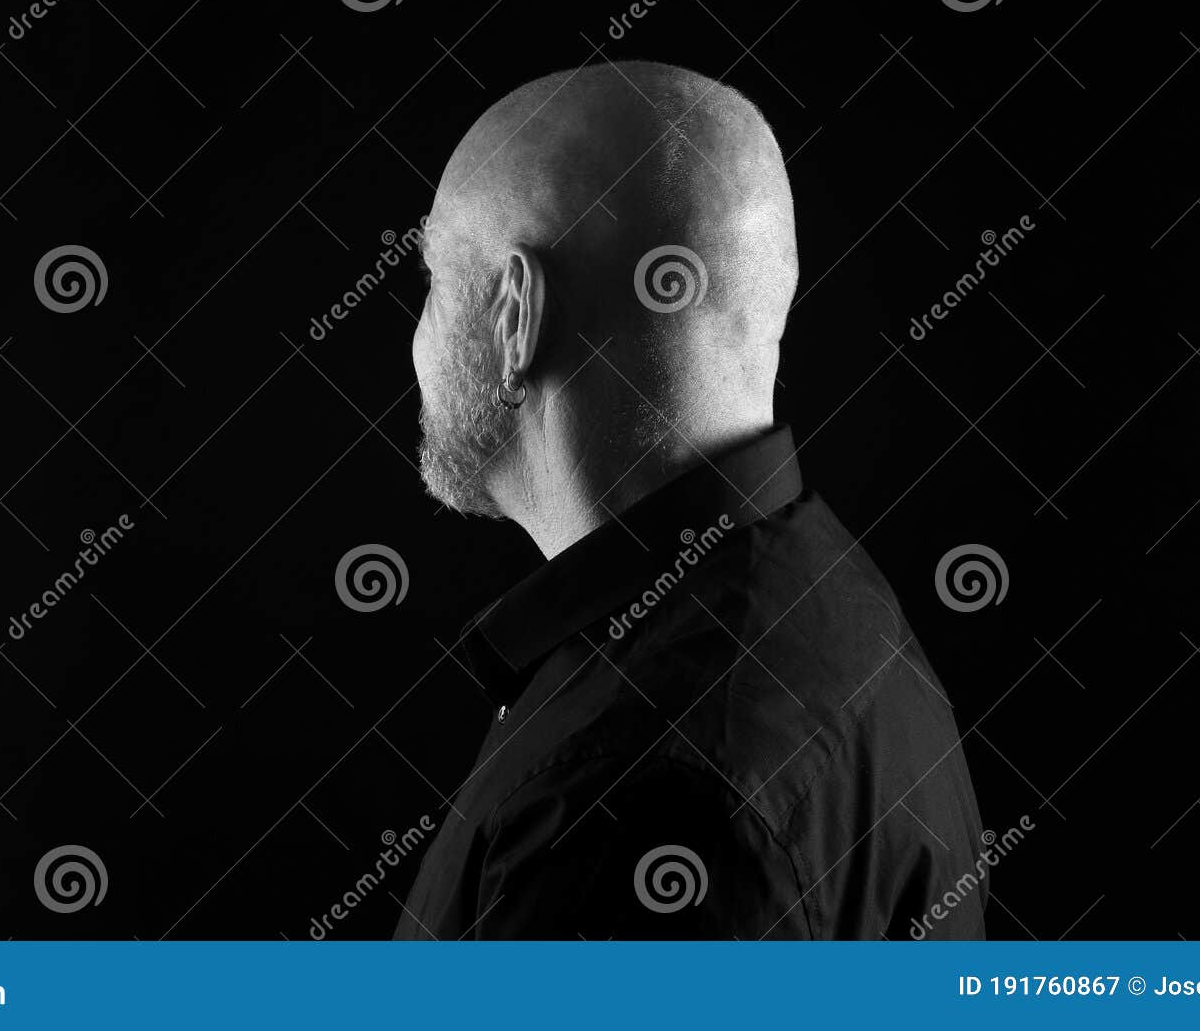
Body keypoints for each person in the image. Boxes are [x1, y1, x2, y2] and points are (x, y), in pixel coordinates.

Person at [400, 61, 984, 939]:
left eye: (436, 285)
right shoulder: (837, 604)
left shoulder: (625, 797)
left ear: (516, 312)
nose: (416, 339)